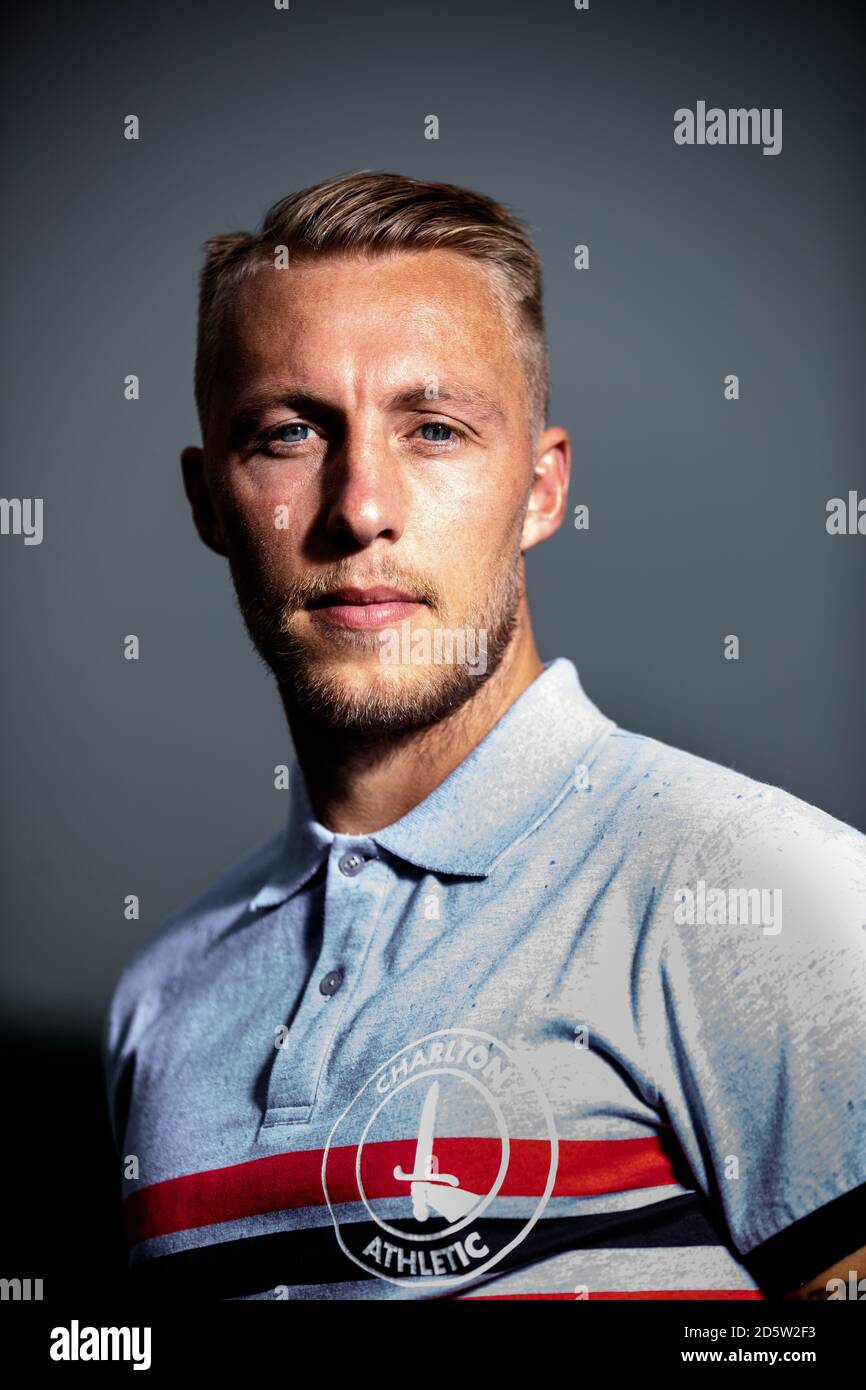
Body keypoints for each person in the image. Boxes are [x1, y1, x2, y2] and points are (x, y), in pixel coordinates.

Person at [102, 170, 866, 1301]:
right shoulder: (159, 998)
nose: (359, 505)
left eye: (435, 428)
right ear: (208, 501)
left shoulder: (765, 895)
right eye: (287, 433)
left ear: (542, 489)